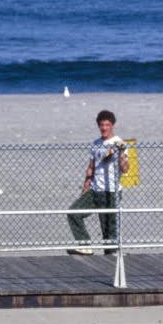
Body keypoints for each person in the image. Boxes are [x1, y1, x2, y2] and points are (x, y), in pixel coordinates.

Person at [68, 109, 123, 255]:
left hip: (111, 191)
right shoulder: (96, 143)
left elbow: (126, 168)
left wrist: (121, 152)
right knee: (73, 212)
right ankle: (85, 245)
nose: (104, 128)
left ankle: (111, 258)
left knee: (108, 229)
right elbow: (91, 166)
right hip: (94, 189)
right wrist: (86, 182)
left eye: (107, 124)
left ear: (112, 125)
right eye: (101, 125)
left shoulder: (118, 142)